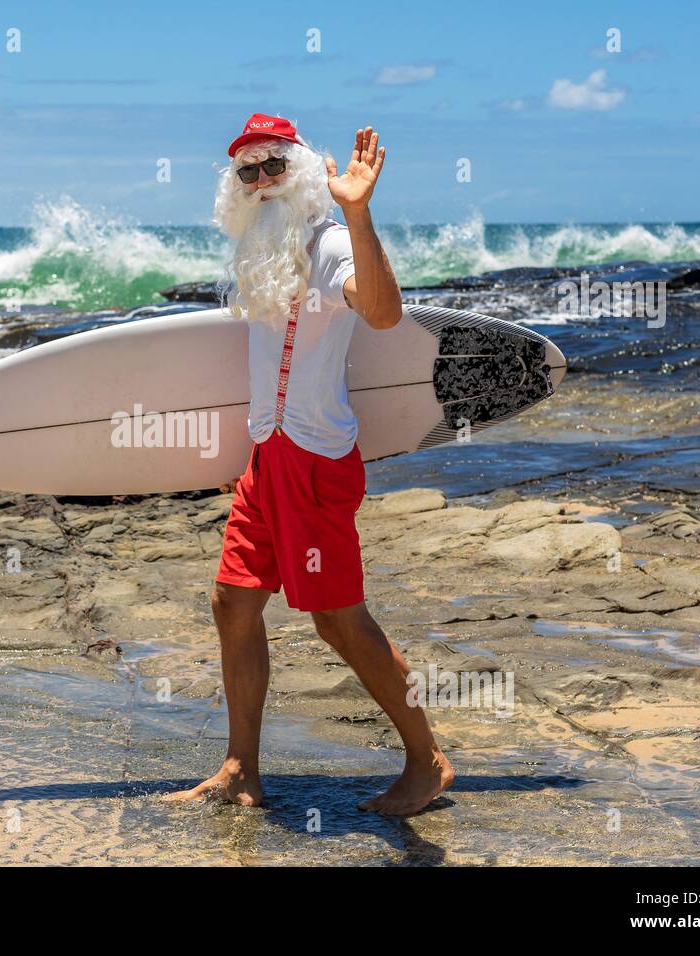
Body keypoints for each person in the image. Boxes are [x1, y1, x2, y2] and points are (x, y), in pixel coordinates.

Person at [164, 113, 454, 816]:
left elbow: (383, 315)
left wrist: (359, 214)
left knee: (338, 621)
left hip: (316, 460)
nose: (261, 182)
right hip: (267, 455)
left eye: (273, 168)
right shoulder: (261, 250)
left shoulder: (328, 244)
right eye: (248, 172)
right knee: (232, 601)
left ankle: (428, 759)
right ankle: (240, 768)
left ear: (298, 171)